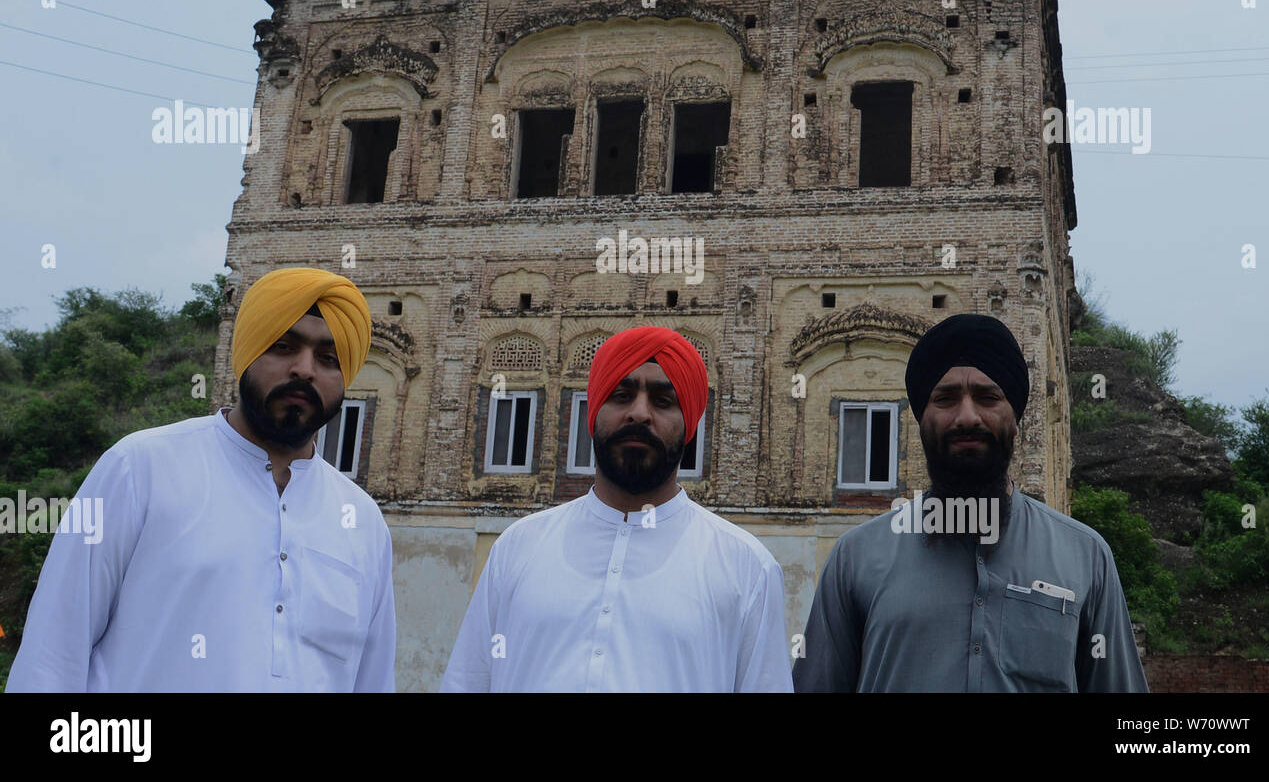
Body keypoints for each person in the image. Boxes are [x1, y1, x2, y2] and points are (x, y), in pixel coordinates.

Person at [7, 268, 396, 692]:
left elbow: (371, 681)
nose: (304, 369)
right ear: (247, 352)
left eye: (328, 358)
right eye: (284, 347)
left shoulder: (361, 522)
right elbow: (52, 655)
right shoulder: (139, 468)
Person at [792, 313, 1148, 692]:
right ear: (921, 419)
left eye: (987, 397)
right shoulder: (856, 558)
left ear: (1016, 419)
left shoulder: (1085, 556)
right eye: (945, 399)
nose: (966, 416)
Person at [441, 325, 793, 692]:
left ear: (689, 424)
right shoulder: (518, 547)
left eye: (662, 400)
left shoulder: (747, 567)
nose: (639, 414)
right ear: (592, 412)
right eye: (622, 395)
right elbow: (468, 680)